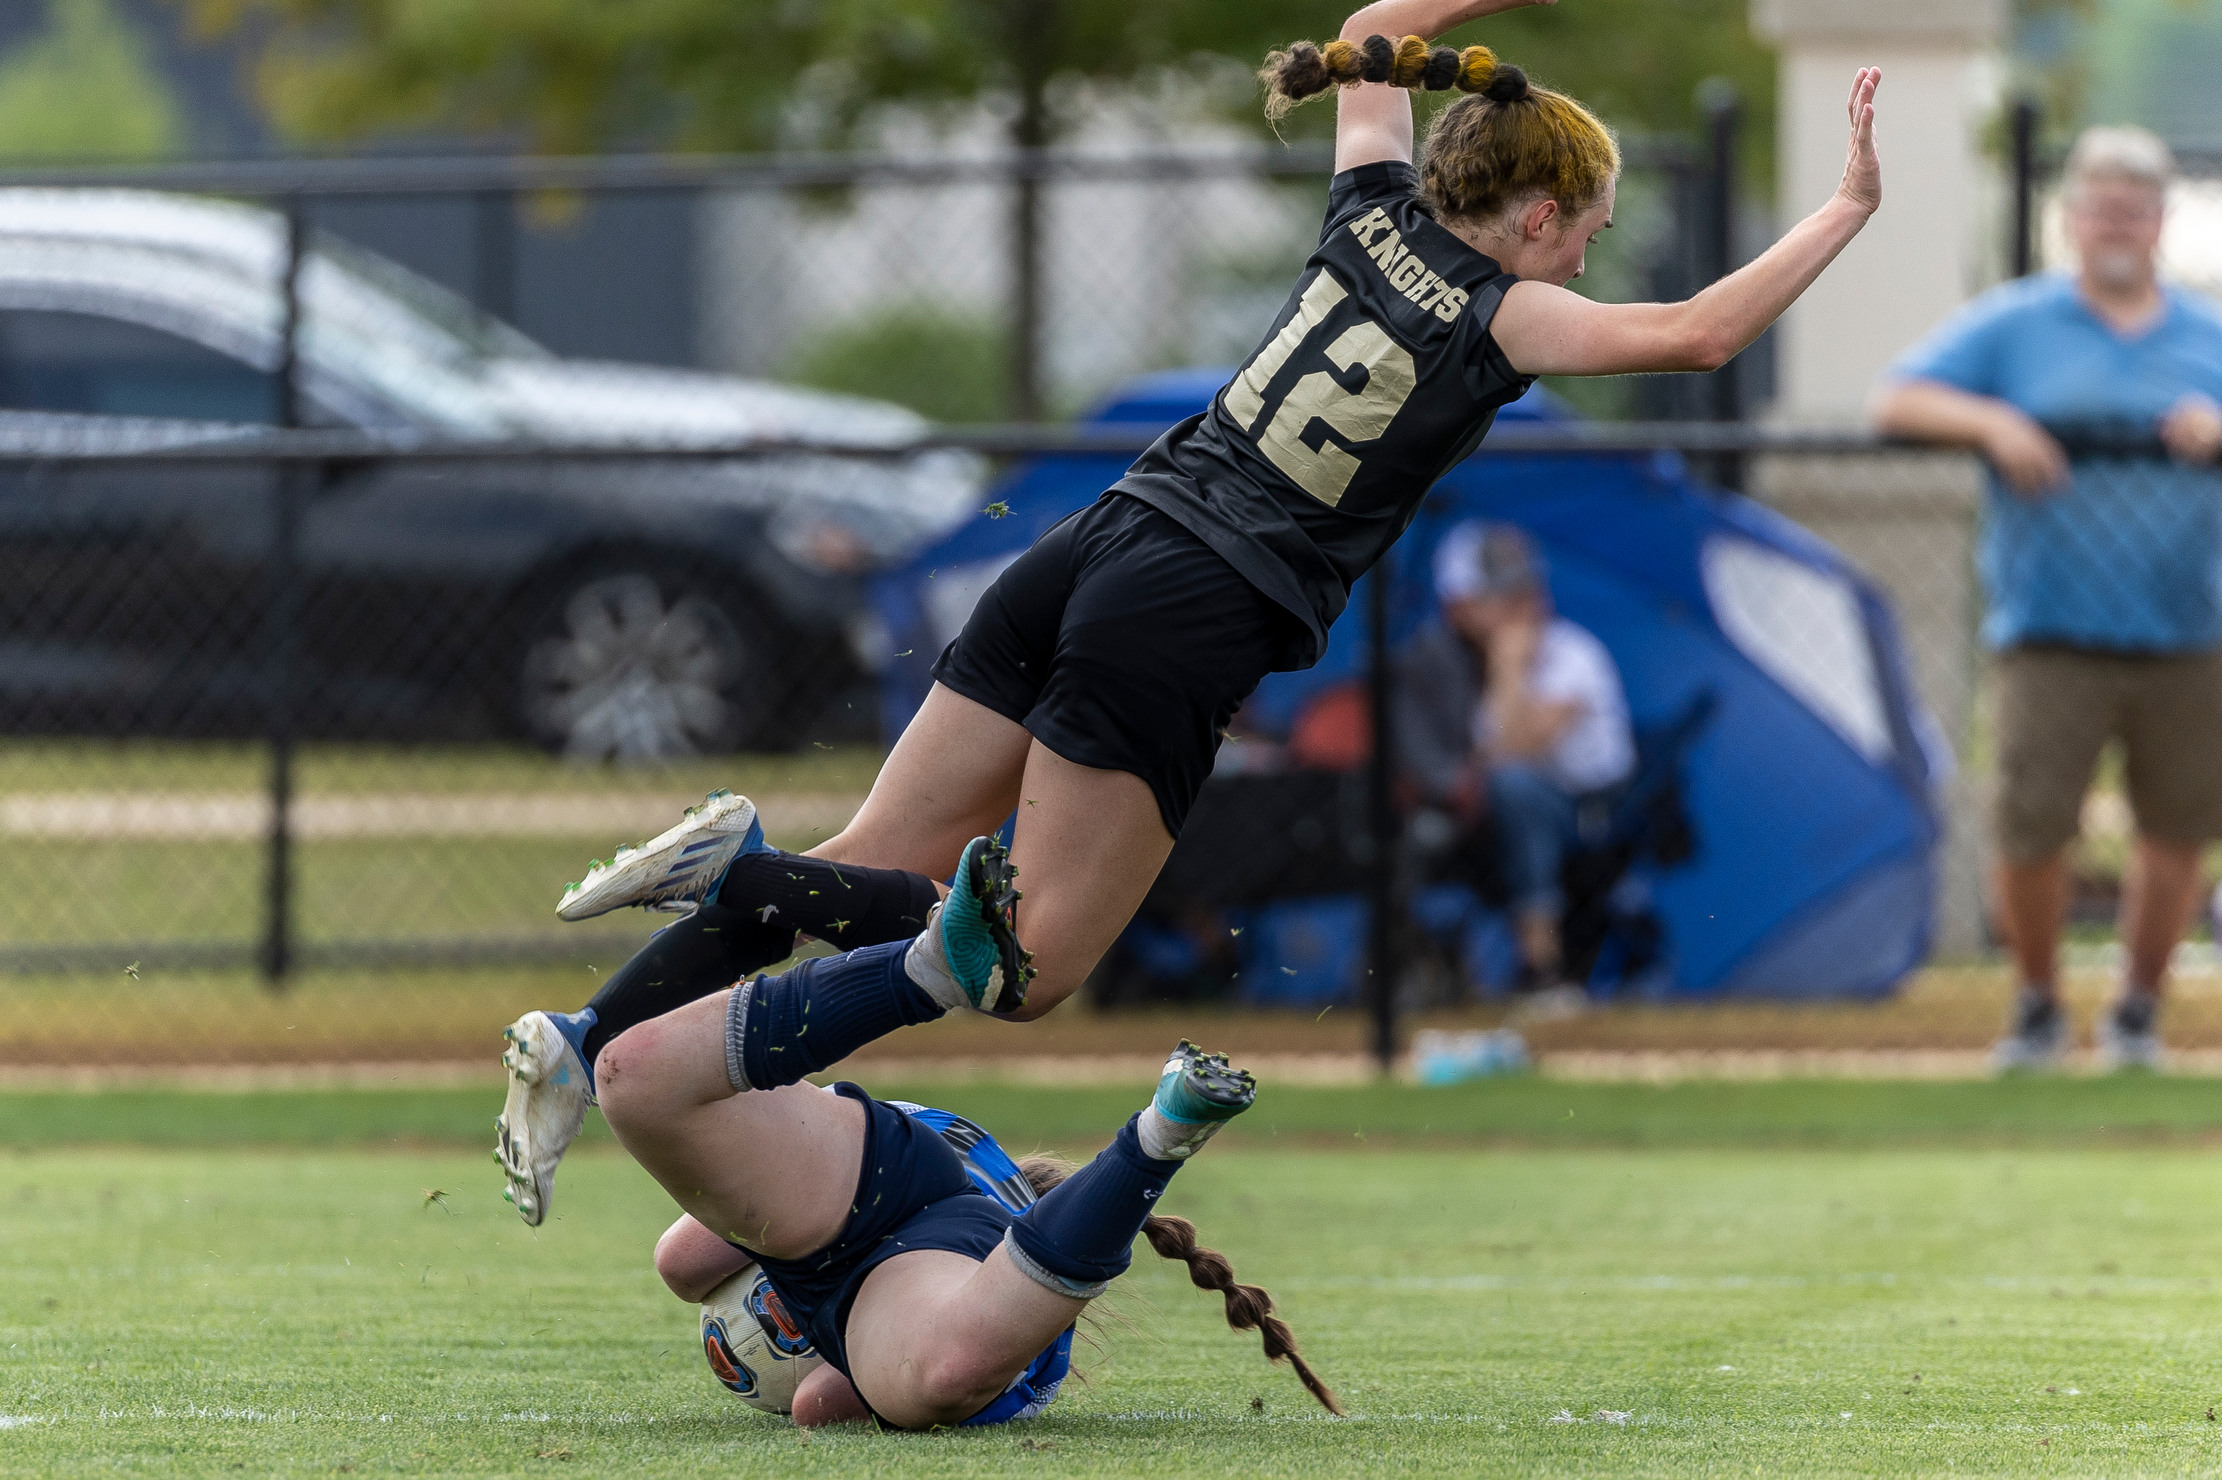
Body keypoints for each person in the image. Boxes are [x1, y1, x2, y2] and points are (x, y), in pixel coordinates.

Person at [498, 0, 1885, 1220]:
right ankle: (735, 868)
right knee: (1027, 964)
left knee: (872, 868)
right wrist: (1842, 212)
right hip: (1191, 605)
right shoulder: (1499, 314)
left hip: (1092, 541)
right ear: (1532, 217)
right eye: (1580, 233)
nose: (1581, 262)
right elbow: (1698, 332)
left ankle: (584, 1036)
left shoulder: (1367, 210)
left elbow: (1381, 16)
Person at [1869, 125, 2222, 1072]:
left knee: (2179, 828)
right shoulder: (2014, 324)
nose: (2118, 224)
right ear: (2073, 218)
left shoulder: (2206, 335)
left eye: (2136, 210)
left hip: (2190, 626)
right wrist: (1994, 421)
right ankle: (2035, 1007)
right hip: (2047, 627)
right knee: (2031, 823)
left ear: (2158, 224)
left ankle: (2139, 1013)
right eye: (2102, 207)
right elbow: (1894, 400)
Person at [598, 1026, 1339, 1428]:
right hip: (876, 1179)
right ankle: (1155, 1135)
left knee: (829, 1396)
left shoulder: (1028, 1350)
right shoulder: (979, 1190)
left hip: (893, 1198)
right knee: (683, 1261)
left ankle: (1151, 1148)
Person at [1396, 521, 1633, 1002]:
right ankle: (1417, 966)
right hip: (1517, 816)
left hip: (1594, 813)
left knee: (1513, 788)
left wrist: (1508, 668)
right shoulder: (1436, 661)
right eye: (1505, 597)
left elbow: (1516, 747)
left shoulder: (1573, 651)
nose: (1527, 603)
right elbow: (1487, 754)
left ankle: (1542, 971)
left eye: (1529, 588)